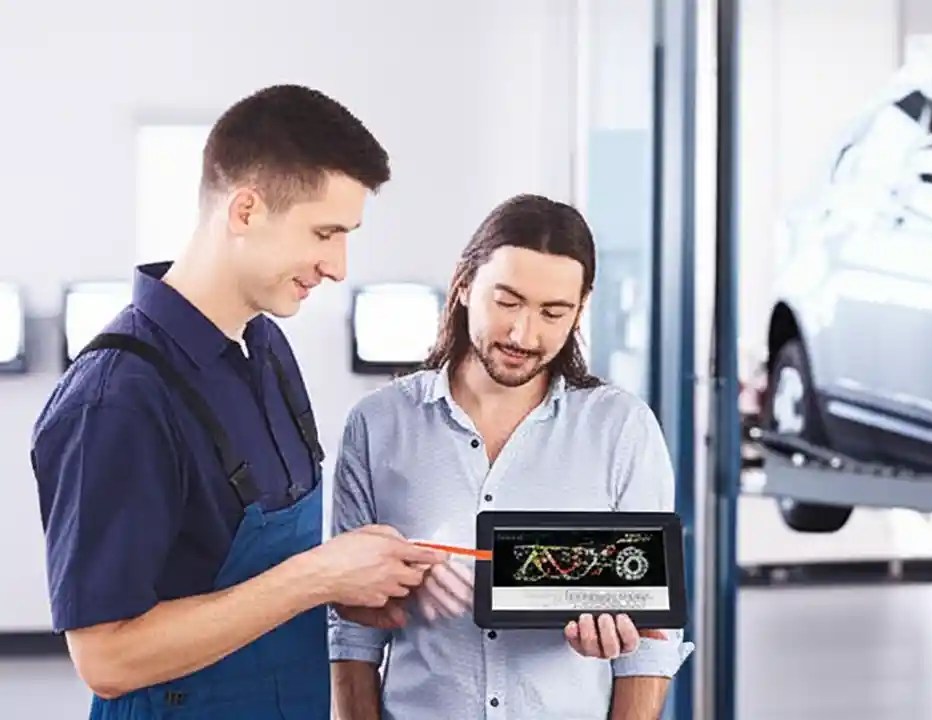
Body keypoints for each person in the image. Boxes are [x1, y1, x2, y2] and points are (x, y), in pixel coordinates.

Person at [29, 84, 446, 719]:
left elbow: (258, 580)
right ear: (246, 210)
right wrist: (320, 577)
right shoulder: (117, 398)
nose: (337, 265)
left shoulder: (266, 345)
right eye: (325, 232)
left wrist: (353, 588)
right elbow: (106, 660)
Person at [328, 194, 694, 719]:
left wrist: (624, 634)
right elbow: (350, 632)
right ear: (463, 285)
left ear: (580, 309)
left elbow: (653, 644)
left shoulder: (622, 428)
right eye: (507, 302)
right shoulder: (376, 424)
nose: (525, 334)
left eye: (553, 312)